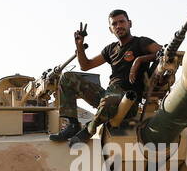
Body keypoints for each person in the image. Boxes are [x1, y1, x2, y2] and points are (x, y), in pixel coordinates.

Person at [50, 9, 161, 142]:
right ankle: (72, 124)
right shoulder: (110, 49)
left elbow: (165, 53)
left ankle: (88, 130)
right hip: (108, 96)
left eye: (122, 22)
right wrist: (79, 45)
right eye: (114, 24)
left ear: (129, 23)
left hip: (128, 102)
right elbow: (85, 65)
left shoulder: (141, 43)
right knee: (67, 77)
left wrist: (139, 60)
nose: (119, 26)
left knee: (111, 97)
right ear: (110, 29)